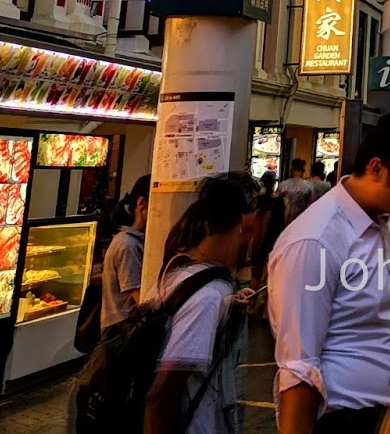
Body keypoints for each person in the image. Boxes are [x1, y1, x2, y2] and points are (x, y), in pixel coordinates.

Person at [269, 109, 390, 434]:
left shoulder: (387, 223)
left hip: (389, 420)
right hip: (343, 421)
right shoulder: (315, 240)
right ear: (377, 168)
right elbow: (299, 370)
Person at [144, 174, 256, 434]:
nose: (251, 242)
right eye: (249, 230)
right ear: (238, 225)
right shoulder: (207, 296)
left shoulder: (179, 272)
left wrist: (231, 309)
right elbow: (160, 396)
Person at [101, 174, 149, 333]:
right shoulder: (127, 245)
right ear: (142, 204)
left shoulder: (134, 241)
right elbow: (139, 297)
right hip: (121, 332)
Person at [277, 158, 319, 226]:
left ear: (291, 170)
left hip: (283, 222)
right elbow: (312, 207)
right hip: (301, 222)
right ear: (303, 170)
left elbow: (277, 205)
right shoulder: (309, 186)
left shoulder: (282, 185)